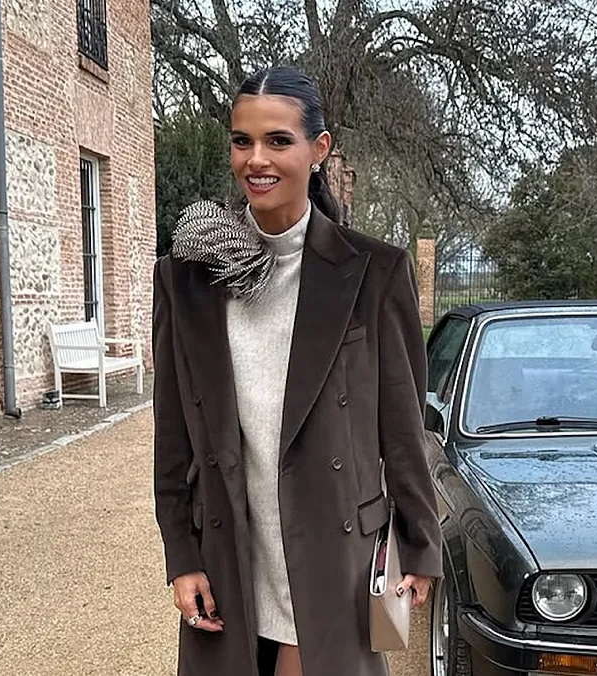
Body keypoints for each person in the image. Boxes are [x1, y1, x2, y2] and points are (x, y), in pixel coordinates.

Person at [151, 65, 443, 676]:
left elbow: (403, 424)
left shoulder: (375, 272)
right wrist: (182, 554)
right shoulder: (186, 276)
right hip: (230, 548)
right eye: (242, 141)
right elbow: (173, 434)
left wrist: (421, 537)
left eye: (278, 141)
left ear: (319, 150)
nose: (256, 159)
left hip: (332, 547)